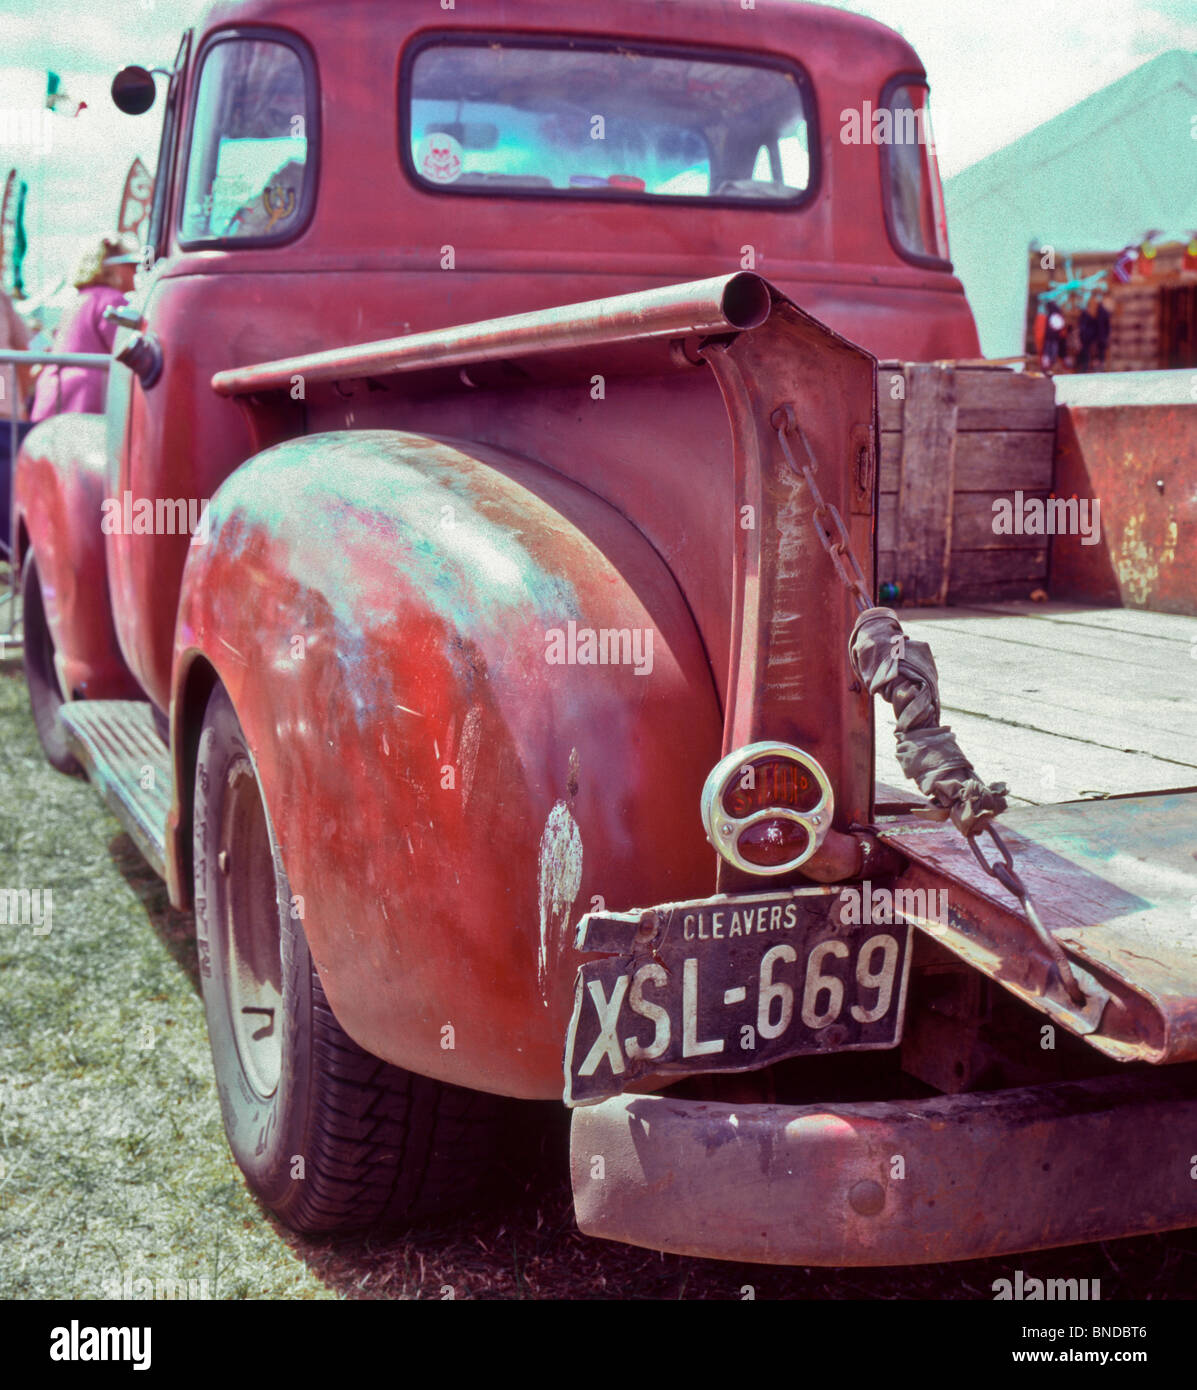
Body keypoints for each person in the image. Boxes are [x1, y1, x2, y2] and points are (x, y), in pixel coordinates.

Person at [29, 235, 137, 422]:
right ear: (115, 268)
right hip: (85, 399)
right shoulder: (112, 301)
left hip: (55, 392)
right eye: (130, 266)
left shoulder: (78, 300)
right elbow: (125, 348)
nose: (135, 272)